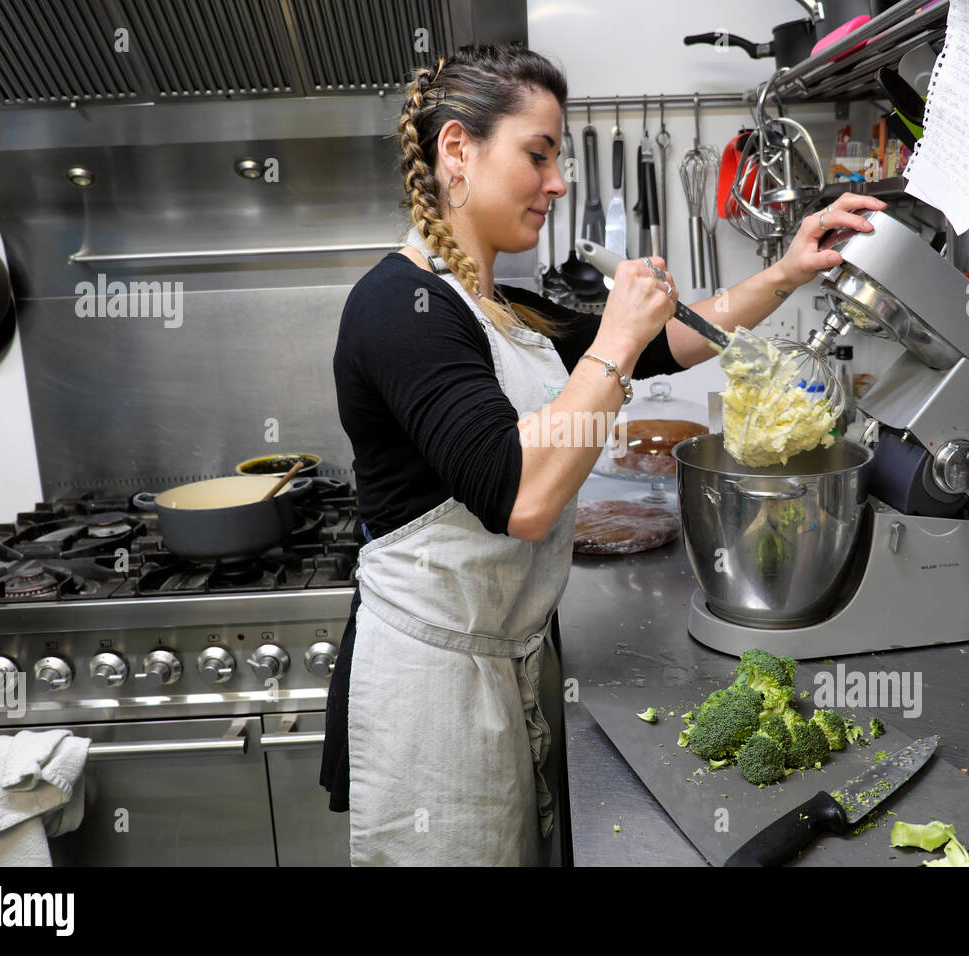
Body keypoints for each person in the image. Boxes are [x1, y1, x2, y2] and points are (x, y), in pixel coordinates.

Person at [320, 43, 886, 866]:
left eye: (561, 159)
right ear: (457, 151)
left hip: (504, 665)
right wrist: (616, 339)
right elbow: (522, 498)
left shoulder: (504, 306)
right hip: (430, 695)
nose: (558, 183)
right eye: (539, 155)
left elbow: (668, 343)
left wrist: (788, 271)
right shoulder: (398, 309)